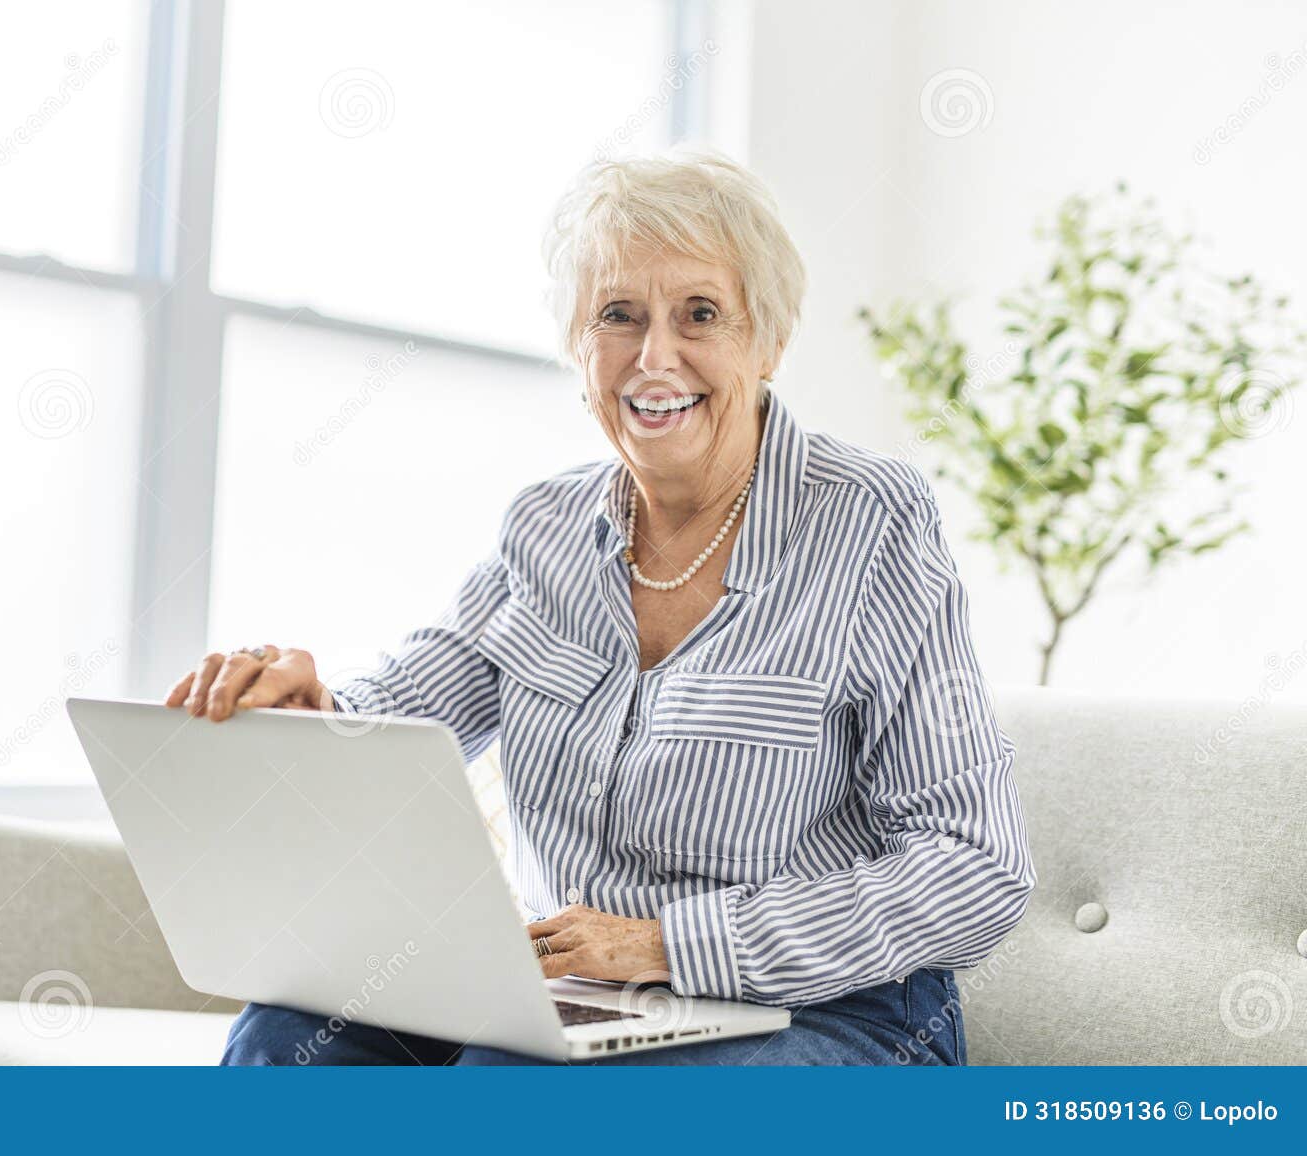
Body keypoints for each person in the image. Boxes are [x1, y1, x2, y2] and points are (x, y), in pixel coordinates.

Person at [167, 151, 1034, 1065]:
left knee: (518, 1077)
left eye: (700, 314)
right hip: (579, 997)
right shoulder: (543, 528)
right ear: (578, 350)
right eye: (618, 315)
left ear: (768, 342)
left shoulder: (871, 521)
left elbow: (977, 868)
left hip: (831, 1012)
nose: (655, 357)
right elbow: (402, 717)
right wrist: (313, 715)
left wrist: (668, 946)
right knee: (283, 1037)